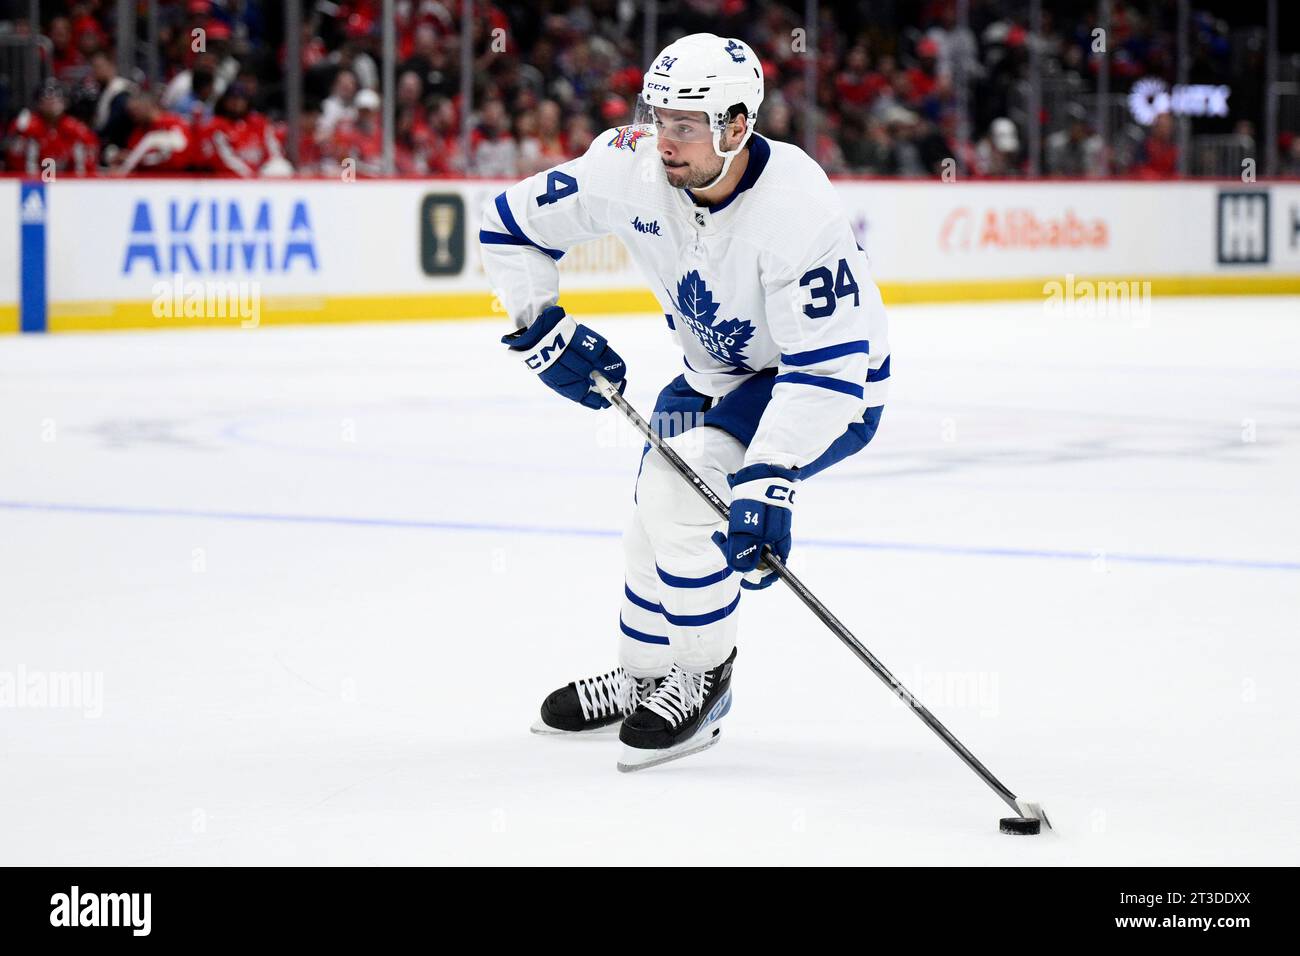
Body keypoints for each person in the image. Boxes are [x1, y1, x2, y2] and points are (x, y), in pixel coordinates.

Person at [479, 34, 890, 771]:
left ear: (738, 125)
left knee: (678, 494)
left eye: (684, 124)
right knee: (653, 512)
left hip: (825, 386)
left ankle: (706, 678)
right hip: (714, 373)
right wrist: (542, 326)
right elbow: (505, 224)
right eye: (658, 116)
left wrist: (771, 476)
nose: (662, 140)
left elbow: (828, 368)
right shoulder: (629, 166)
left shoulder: (797, 206)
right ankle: (645, 677)